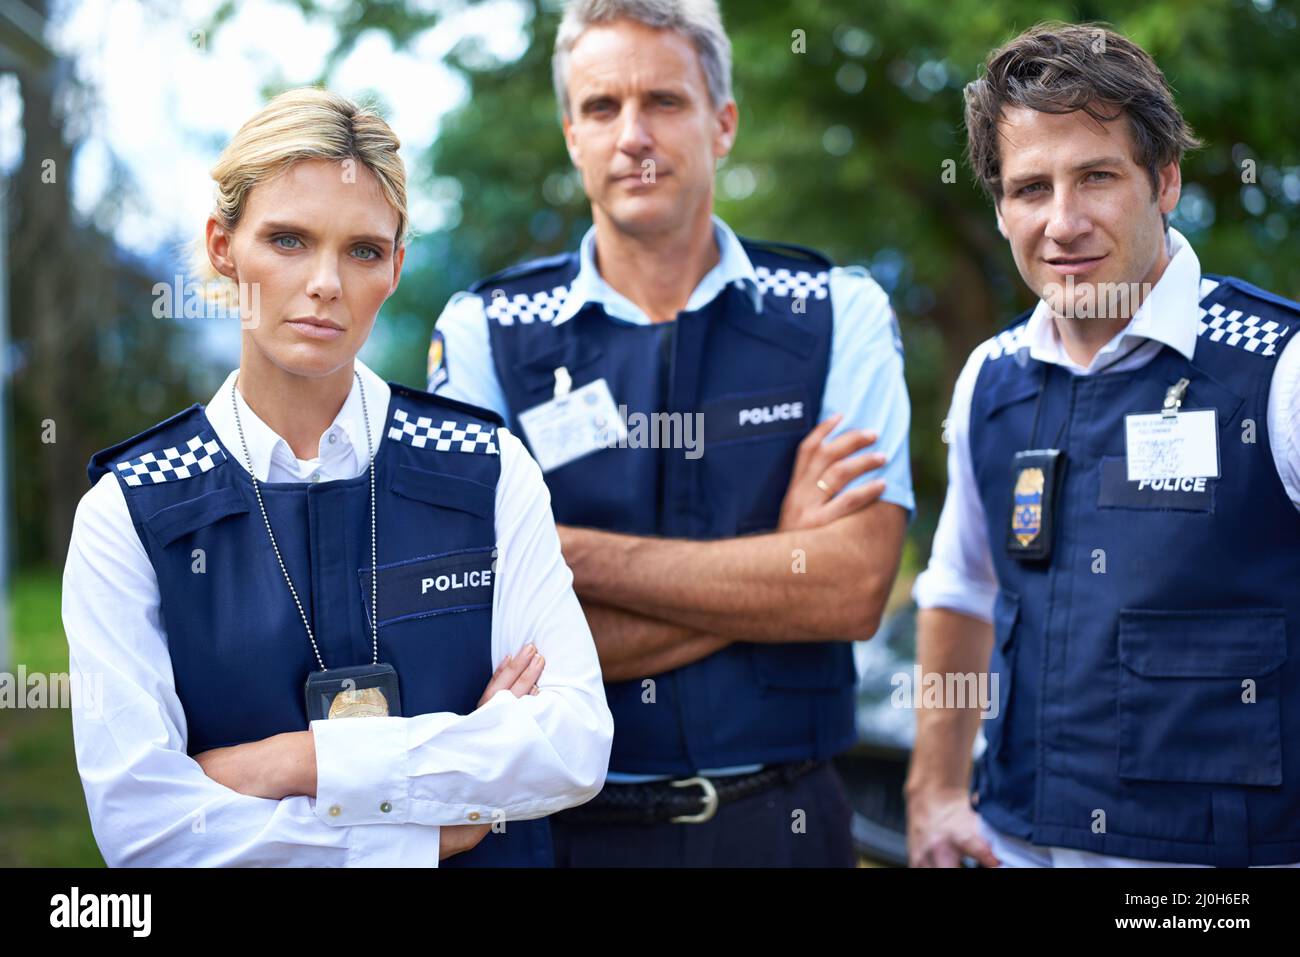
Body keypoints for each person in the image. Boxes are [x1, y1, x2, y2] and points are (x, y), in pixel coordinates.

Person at [61, 87, 613, 868]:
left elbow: (573, 741)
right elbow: (147, 831)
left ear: (394, 267)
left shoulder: (487, 469)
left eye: (361, 249)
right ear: (223, 247)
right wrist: (423, 826)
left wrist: (296, 762)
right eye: (288, 240)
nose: (325, 281)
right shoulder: (130, 511)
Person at [429, 0, 913, 867]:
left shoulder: (839, 309)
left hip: (788, 824)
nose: (633, 135)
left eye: (664, 101)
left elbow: (848, 591)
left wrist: (557, 553)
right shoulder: (484, 329)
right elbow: (478, 624)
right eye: (603, 108)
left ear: (722, 123)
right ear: (572, 134)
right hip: (564, 835)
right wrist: (779, 562)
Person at [907, 22, 1300, 867]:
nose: (1063, 222)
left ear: (1164, 180)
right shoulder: (990, 379)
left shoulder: (1279, 369)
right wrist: (936, 790)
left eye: (1095, 177)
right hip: (1010, 844)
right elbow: (960, 593)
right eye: (1029, 189)